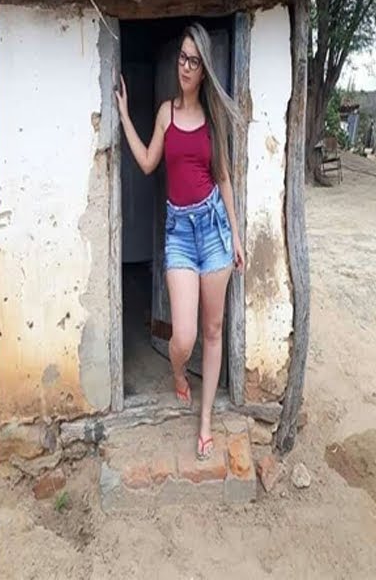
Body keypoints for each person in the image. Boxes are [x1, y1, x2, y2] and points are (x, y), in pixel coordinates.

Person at [114, 23, 244, 460]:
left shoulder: (214, 120)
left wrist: (237, 235)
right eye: (182, 58)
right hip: (179, 234)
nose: (185, 66)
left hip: (214, 229)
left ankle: (205, 420)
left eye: (193, 60)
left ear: (204, 69)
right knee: (183, 337)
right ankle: (178, 374)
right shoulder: (167, 113)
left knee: (212, 330)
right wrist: (125, 117)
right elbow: (150, 162)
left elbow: (223, 177)